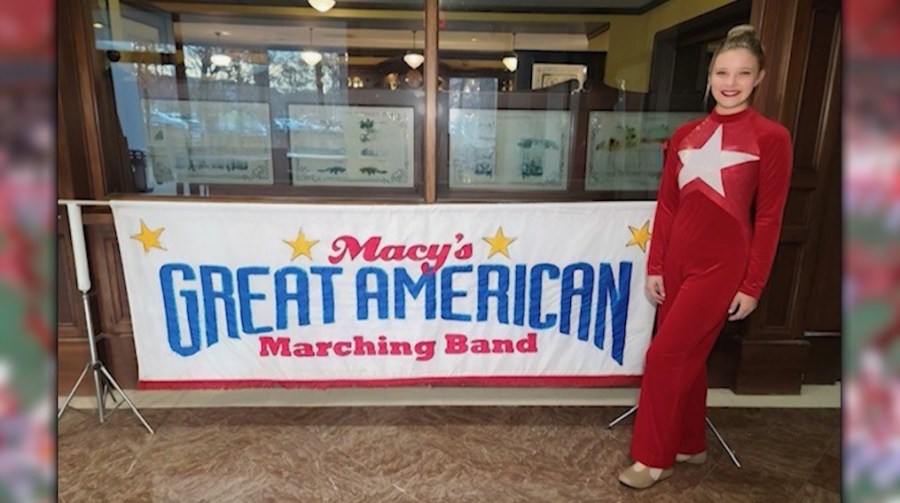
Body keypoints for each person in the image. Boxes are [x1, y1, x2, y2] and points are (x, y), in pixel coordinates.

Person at [618, 24, 793, 489]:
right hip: (677, 262)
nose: (730, 82)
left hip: (722, 267)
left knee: (663, 357)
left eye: (742, 73)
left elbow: (770, 217)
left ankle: (654, 458)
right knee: (688, 357)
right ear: (710, 75)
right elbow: (668, 205)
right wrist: (656, 265)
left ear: (759, 78)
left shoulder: (771, 137)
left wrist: (752, 285)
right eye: (722, 71)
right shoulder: (685, 135)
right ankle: (689, 443)